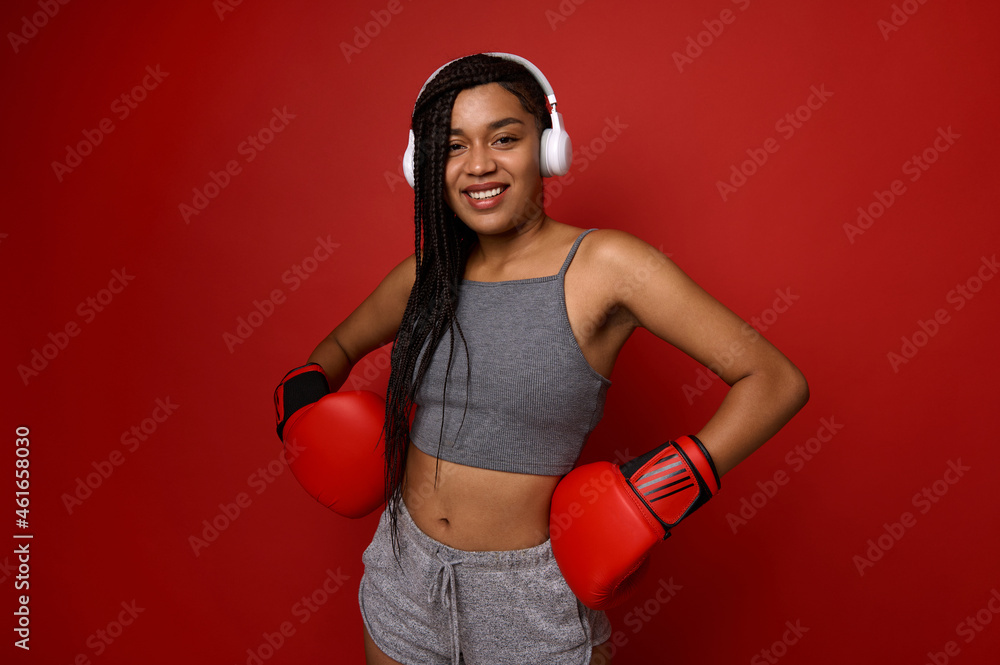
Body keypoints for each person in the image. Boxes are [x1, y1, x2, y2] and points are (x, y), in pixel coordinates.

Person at [279, 53, 809, 665]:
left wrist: (660, 490)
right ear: (423, 166)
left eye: (504, 138)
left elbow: (774, 380)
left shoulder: (607, 266)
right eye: (453, 146)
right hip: (405, 573)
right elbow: (336, 350)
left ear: (549, 148)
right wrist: (299, 416)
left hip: (530, 597)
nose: (480, 164)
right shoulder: (428, 274)